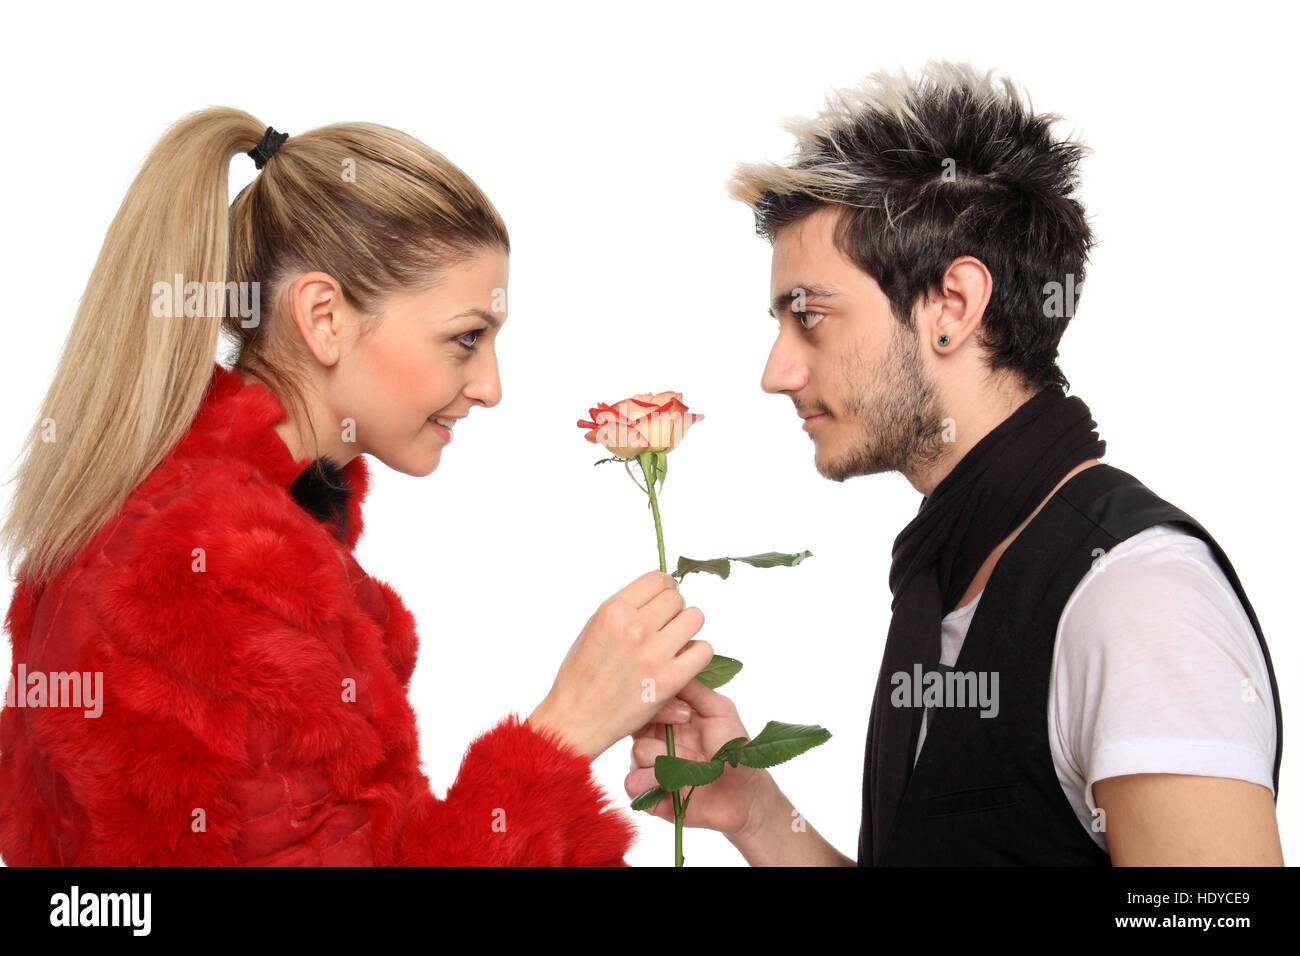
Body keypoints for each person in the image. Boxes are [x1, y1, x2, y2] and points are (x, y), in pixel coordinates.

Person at [0, 107, 711, 865]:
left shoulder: (208, 516)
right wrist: (563, 734)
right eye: (465, 338)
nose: (491, 386)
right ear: (324, 317)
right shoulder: (210, 563)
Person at [627, 60, 1284, 865]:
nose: (778, 371)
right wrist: (758, 816)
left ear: (952, 307)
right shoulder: (955, 564)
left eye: (811, 318)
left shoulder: (1137, 599)